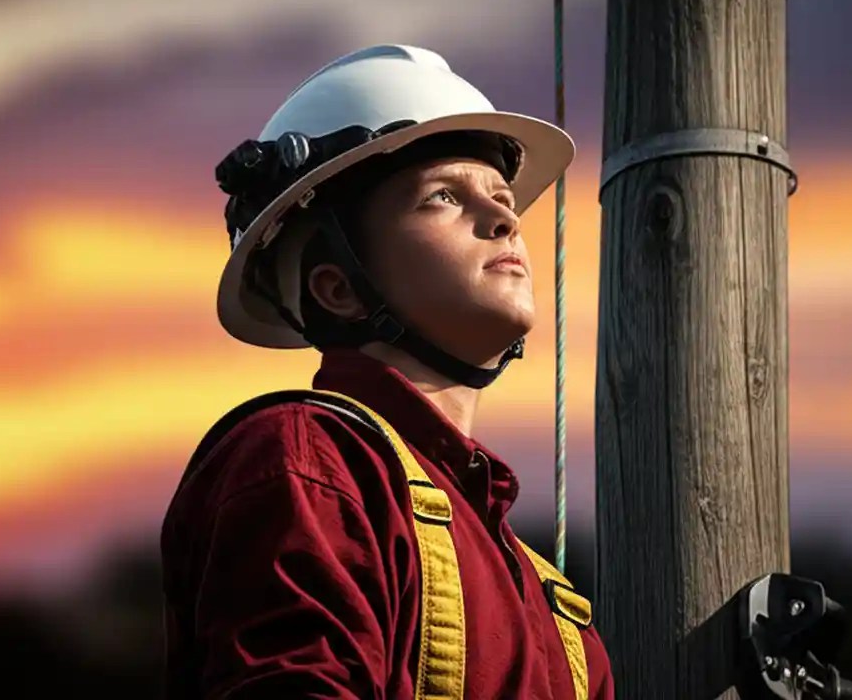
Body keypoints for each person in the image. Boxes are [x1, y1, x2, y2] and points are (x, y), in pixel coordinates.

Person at [160, 44, 615, 699]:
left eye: (500, 194)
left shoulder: (560, 613)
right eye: (443, 196)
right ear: (339, 287)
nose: (504, 219)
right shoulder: (306, 460)